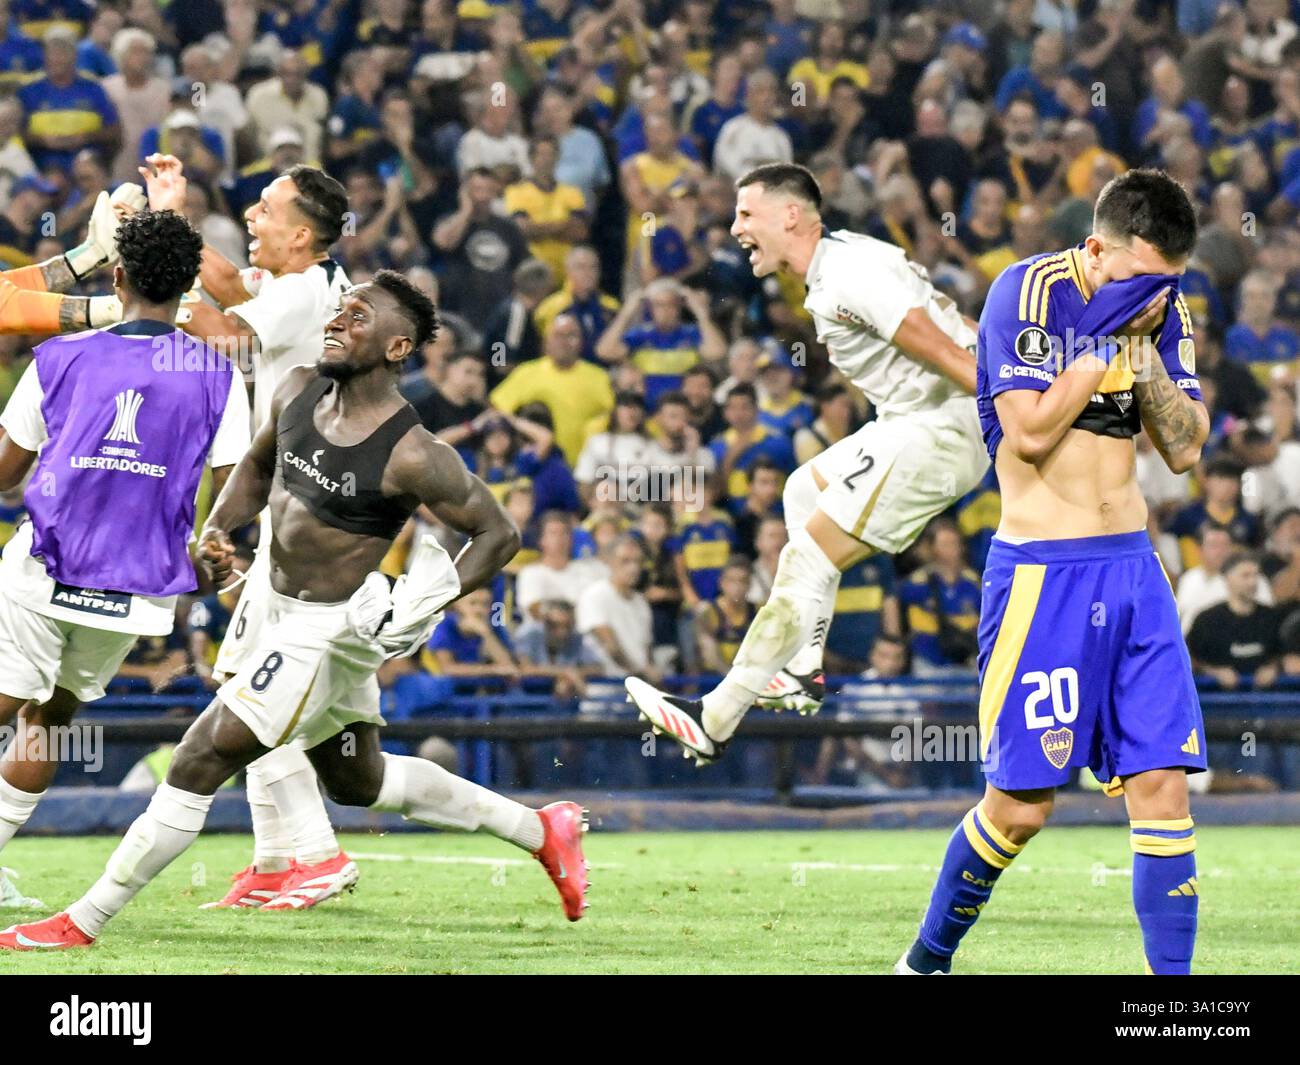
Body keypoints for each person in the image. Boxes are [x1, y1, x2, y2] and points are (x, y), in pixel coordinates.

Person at [0, 271, 588, 951]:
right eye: (338, 310)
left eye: (357, 316)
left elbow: (499, 533)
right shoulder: (299, 388)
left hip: (327, 627)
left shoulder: (414, 452)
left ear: (398, 347)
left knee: (197, 757)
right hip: (274, 604)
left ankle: (84, 920)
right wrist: (217, 530)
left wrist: (434, 600)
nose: (337, 321)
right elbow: (254, 466)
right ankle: (543, 830)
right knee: (357, 777)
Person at [898, 169, 1209, 976]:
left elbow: (1185, 446)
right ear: (1097, 247)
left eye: (1169, 280)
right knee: (1020, 809)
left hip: (1136, 574)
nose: (1159, 291)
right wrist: (1106, 340)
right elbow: (1029, 432)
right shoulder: (1024, 293)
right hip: (1045, 576)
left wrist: (1142, 351)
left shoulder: (1162, 306)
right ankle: (924, 963)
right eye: (1144, 275)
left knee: (1163, 790)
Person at [625, 162, 987, 759]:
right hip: (914, 420)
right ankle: (802, 667)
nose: (736, 228)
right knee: (801, 492)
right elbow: (956, 325)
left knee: (808, 559)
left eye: (747, 214)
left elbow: (940, 345)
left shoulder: (845, 275)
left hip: (939, 427)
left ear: (790, 215)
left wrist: (1015, 405)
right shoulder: (844, 257)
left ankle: (715, 715)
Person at [0, 210, 248, 904]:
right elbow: (232, 493)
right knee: (47, 719)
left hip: (43, 567)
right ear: (187, 286)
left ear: (116, 276)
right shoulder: (219, 376)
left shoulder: (61, 355)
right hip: (136, 592)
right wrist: (211, 553)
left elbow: (4, 473)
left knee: (7, 705)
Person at [138, 153, 358, 911]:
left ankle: (316, 855)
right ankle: (275, 861)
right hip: (301, 501)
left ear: (302, 236)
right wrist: (174, 215)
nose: (253, 218)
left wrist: (150, 266)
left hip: (302, 505)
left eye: (267, 209)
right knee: (252, 683)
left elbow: (220, 327)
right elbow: (231, 285)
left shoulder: (301, 293)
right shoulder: (308, 281)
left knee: (251, 688)